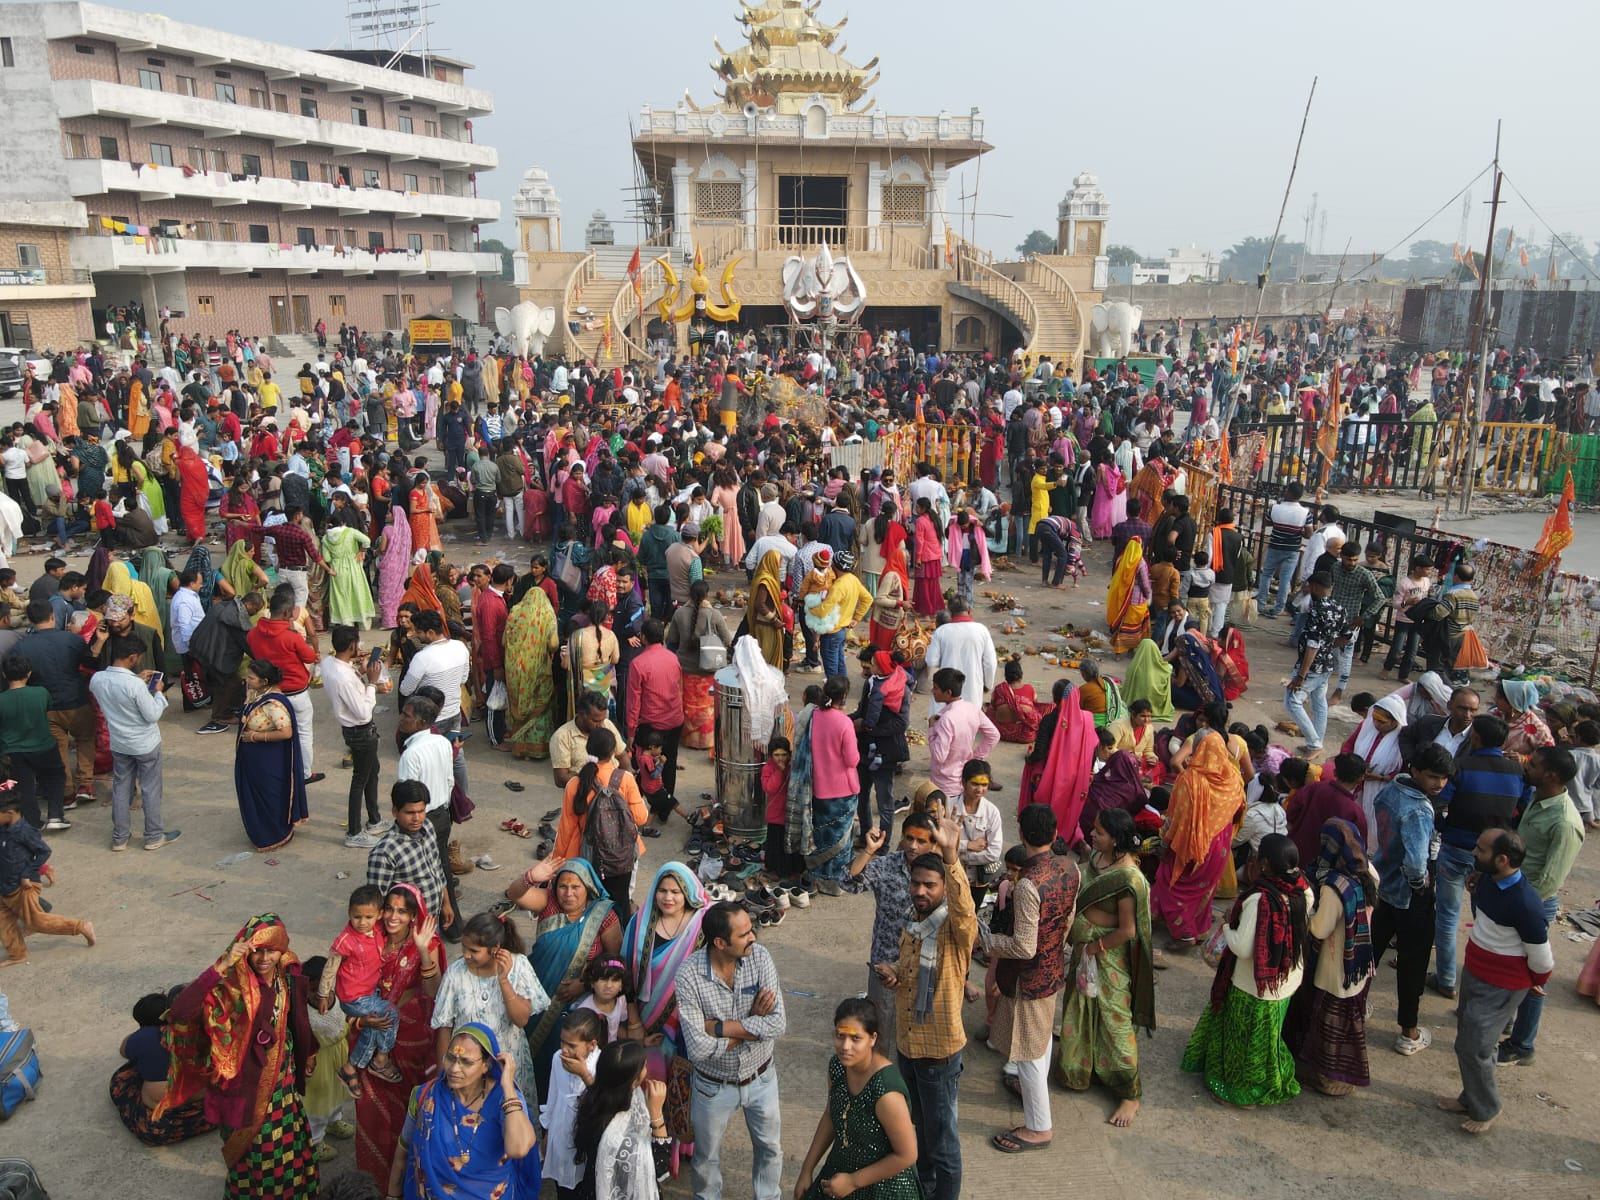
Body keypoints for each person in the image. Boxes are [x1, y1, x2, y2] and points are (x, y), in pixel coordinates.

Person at [162, 914, 317, 1198]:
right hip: (243, 1092)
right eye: (257, 950)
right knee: (256, 1160)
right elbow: (181, 1013)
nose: (263, 958)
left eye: (271, 950)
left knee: (290, 1152)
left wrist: (309, 1052)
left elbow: (297, 1018)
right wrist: (221, 965)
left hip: (283, 1085)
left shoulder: (287, 972)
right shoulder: (230, 988)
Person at [1181, 833, 1313, 1107]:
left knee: (1242, 1043)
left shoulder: (1260, 900)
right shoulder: (1304, 890)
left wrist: (1228, 923)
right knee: (1266, 1040)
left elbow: (1243, 947)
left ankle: (1241, 1093)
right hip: (1285, 980)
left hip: (1252, 985)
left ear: (1264, 863)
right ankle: (1265, 1081)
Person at [1436, 828, 1552, 1135]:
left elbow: (1542, 957)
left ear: (1501, 860)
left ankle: (1487, 1108)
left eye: (1481, 850)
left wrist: (1536, 981)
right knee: (1470, 1041)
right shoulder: (1488, 880)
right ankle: (1470, 1096)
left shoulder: (1526, 905)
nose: (1474, 853)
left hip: (1502, 985)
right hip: (1476, 972)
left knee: (1474, 1047)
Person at [674, 900, 786, 1200]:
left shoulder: (760, 958)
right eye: (745, 934)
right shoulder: (688, 975)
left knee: (771, 1149)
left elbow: (777, 1024)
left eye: (751, 930)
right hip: (712, 1085)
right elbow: (697, 1049)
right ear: (720, 943)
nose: (753, 937)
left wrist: (721, 1028)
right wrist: (752, 1025)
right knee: (706, 1158)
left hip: (762, 1078)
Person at [984, 804, 1079, 1153]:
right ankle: (1031, 1099)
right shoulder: (1071, 868)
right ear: (1055, 834)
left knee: (1029, 1052)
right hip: (1053, 968)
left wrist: (984, 941)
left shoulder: (1028, 884)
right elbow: (1067, 921)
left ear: (1022, 835)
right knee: (1038, 1044)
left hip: (1029, 978)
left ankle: (1039, 1127)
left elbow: (1024, 947)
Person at [1056, 807, 1154, 1126]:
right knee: (1082, 1009)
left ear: (1116, 840)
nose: (1092, 834)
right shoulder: (1097, 859)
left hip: (1108, 957)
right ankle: (1086, 1069)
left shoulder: (1128, 878)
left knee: (1114, 1018)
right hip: (1086, 954)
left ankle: (1130, 1095)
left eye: (1099, 832)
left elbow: (1127, 930)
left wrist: (1093, 948)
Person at [892, 814, 971, 1200]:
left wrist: (952, 855)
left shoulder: (955, 931)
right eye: (916, 883)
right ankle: (921, 1188)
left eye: (930, 885)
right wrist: (895, 974)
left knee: (942, 1142)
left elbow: (964, 910)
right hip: (907, 1046)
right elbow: (911, 975)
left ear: (943, 887)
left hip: (937, 1054)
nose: (920, 891)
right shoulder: (915, 922)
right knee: (916, 1127)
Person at [1496, 745, 1584, 1065]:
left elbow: (1550, 880)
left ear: (1551, 776)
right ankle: (1508, 1020)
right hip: (1517, 895)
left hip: (1532, 905)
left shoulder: (1564, 822)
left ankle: (1522, 1045)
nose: (1526, 765)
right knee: (1511, 968)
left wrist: (1515, 903)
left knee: (1532, 979)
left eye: (1533, 764)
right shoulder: (1537, 797)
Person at [353, 883, 445, 1188]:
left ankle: (406, 1184)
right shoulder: (367, 936)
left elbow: (434, 993)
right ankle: (375, 1184)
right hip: (369, 1033)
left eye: (402, 911)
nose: (393, 917)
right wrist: (361, 1018)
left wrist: (421, 950)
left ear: (412, 915)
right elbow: (348, 986)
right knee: (371, 1112)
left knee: (408, 1113)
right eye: (389, 909)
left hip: (410, 1042)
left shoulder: (425, 942)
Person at [386, 1021, 542, 1199]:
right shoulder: (426, 1096)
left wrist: (507, 1085)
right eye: (451, 1058)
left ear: (486, 1064)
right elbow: (403, 1150)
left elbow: (519, 1149)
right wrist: (392, 1195)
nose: (454, 1068)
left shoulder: (506, 1100)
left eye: (466, 1062)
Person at [1431, 715, 1528, 1000]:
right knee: (1485, 918)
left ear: (1475, 738)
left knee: (1448, 917)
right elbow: (1523, 806)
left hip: (1456, 848)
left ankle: (1447, 979)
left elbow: (1438, 800)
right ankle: (1480, 980)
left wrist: (1443, 827)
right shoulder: (1517, 772)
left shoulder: (1461, 767)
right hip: (1495, 860)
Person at [507, 856, 623, 1093]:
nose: (568, 893)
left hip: (576, 1006)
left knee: (563, 1060)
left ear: (587, 888)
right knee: (529, 1057)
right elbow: (515, 895)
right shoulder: (548, 904)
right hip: (537, 996)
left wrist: (585, 984)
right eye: (563, 886)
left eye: (575, 887)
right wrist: (531, 877)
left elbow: (614, 963)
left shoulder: (603, 915)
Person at [1370, 743, 1454, 1056]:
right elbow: (1417, 863)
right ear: (1415, 771)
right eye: (1433, 776)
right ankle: (1409, 1031)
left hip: (1383, 884)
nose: (1439, 784)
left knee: (1370, 953)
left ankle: (1352, 1007)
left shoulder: (1391, 790)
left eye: (1444, 778)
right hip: (1410, 895)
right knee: (1412, 965)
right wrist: (1421, 885)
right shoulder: (1419, 809)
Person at [620, 862, 709, 1154]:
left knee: (682, 1083)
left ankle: (678, 1148)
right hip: (645, 1022)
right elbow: (626, 975)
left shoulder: (701, 927)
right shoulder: (639, 923)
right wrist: (634, 1021)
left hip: (685, 1024)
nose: (668, 897)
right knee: (649, 1081)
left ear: (688, 894)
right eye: (662, 890)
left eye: (676, 892)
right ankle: (647, 1145)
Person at [795, 997, 920, 1199]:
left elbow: (907, 1155)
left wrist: (853, 1181)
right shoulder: (838, 1067)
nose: (845, 1046)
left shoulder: (886, 1091)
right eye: (840, 1036)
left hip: (883, 1188)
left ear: (872, 1039)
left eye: (855, 1038)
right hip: (841, 1174)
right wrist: (806, 1170)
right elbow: (831, 1115)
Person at [1285, 818, 1374, 1097]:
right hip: (1358, 961)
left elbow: (1319, 928)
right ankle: (1339, 1074)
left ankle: (1327, 1078)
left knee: (1327, 1025)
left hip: (1335, 966)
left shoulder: (1335, 886)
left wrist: (1303, 909)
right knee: (1349, 1023)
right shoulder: (1367, 872)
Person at [430, 913, 549, 1101]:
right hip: (466, 1068)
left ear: (495, 949)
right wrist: (443, 1073)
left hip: (508, 1067)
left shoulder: (519, 966)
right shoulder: (455, 973)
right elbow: (444, 1028)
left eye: (474, 951)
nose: (466, 955)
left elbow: (521, 1019)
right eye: (464, 948)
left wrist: (503, 981)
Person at [1150, 732, 1245, 949]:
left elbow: (1177, 820)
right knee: (1204, 888)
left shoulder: (1190, 781)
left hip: (1192, 845)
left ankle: (1184, 934)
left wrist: (1164, 844)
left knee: (1173, 885)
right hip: (1219, 844)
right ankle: (1198, 927)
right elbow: (1239, 809)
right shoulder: (1231, 776)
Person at [89, 632, 179, 852]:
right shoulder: (134, 686)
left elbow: (117, 690)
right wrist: (158, 694)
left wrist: (137, 680)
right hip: (145, 743)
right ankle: (153, 836)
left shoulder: (97, 679)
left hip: (119, 742)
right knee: (150, 789)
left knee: (121, 788)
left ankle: (119, 837)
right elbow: (152, 715)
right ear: (132, 657)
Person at [552, 729, 650, 913]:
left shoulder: (575, 783)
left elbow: (566, 829)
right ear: (613, 751)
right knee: (621, 903)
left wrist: (556, 863)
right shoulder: (625, 779)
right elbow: (641, 818)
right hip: (624, 855)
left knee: (589, 907)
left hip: (587, 856)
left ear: (588, 748)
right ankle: (620, 938)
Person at [0, 790, 95, 965]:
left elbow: (43, 851)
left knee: (36, 921)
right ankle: (17, 954)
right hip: (4, 886)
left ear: (9, 813)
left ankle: (80, 926)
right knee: (4, 923)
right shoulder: (4, 830)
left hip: (22, 887)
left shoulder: (25, 831)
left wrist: (28, 874)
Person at [111, 987, 215, 1145]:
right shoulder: (220, 1034)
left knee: (123, 1076)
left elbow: (123, 1050)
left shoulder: (147, 1037)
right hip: (214, 1108)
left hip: (163, 1126)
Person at [572, 1040, 671, 1200]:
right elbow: (659, 1168)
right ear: (633, 1080)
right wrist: (657, 1113)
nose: (647, 1070)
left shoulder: (594, 1100)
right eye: (644, 1066)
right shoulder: (617, 1132)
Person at [246, 587, 322, 786]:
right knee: (304, 732)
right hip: (296, 692)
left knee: (274, 734)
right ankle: (304, 773)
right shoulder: (291, 636)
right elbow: (309, 656)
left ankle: (279, 772)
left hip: (269, 693)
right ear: (288, 613)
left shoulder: (253, 634)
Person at [540, 1008, 605, 1199]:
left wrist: (584, 1074)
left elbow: (603, 1103)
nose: (565, 1050)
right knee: (563, 1191)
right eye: (562, 1042)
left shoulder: (601, 1064)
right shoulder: (556, 1058)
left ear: (592, 1044)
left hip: (585, 1141)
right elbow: (552, 1098)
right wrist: (547, 1132)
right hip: (560, 1136)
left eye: (572, 1045)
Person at [0, 653, 70, 831]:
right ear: (28, 673)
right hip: (44, 744)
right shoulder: (41, 692)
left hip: (12, 750)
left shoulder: (2, 699)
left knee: (24, 786)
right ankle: (55, 815)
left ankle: (32, 822)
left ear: (4, 674)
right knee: (55, 776)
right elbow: (47, 708)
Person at [666, 579, 733, 752]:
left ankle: (689, 739)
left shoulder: (679, 614)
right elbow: (727, 640)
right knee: (708, 706)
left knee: (687, 705)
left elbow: (671, 640)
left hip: (685, 669)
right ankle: (706, 740)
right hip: (709, 670)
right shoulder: (714, 615)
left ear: (689, 594)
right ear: (706, 595)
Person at [808, 675, 862, 892]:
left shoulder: (814, 716)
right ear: (844, 696)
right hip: (842, 789)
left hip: (819, 786)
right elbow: (852, 759)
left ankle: (818, 875)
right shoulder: (844, 722)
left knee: (822, 834)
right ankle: (836, 882)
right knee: (841, 838)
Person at [1284, 571, 1346, 754]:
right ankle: (1316, 739)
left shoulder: (1317, 609)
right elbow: (1347, 637)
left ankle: (1314, 744)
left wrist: (1301, 676)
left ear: (1316, 587)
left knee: (1293, 701)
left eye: (1309, 586)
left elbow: (1312, 645)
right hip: (1326, 663)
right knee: (1319, 703)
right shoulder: (1338, 608)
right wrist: (1328, 646)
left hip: (1313, 665)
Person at [503, 581, 560, 760]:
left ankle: (519, 748)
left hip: (514, 669)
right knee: (539, 703)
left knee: (519, 703)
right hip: (538, 669)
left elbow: (504, 641)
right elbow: (553, 644)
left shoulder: (515, 612)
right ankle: (535, 750)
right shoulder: (547, 613)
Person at [926, 668, 1000, 799]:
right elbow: (994, 735)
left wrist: (932, 729)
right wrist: (975, 757)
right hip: (963, 776)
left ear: (948, 692)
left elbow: (939, 756)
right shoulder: (972, 708)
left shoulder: (947, 719)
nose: (933, 691)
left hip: (945, 781)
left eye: (936, 688)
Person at [1284, 753, 1367, 867]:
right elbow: (1358, 849)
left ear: (1335, 772)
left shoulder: (1313, 787)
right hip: (1324, 869)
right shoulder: (1355, 812)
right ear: (1361, 778)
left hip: (1295, 854)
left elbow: (1290, 814)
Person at [922, 596, 997, 713]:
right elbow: (990, 663)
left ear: (950, 613)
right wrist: (988, 684)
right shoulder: (982, 630)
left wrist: (946, 657)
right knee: (968, 725)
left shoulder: (941, 631)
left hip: (946, 689)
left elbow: (931, 661)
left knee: (943, 725)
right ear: (970, 611)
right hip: (972, 688)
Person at [322, 512, 375, 628]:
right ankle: (363, 624)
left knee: (342, 596)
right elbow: (366, 540)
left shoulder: (326, 538)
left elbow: (326, 558)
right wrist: (362, 551)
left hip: (337, 569)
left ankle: (347, 623)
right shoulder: (351, 532)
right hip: (353, 565)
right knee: (358, 593)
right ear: (343, 523)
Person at [1105, 536, 1151, 654]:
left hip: (1121, 598)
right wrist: (1148, 595)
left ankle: (1118, 652)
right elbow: (1145, 584)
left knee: (1122, 625)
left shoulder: (1121, 559)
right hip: (1137, 600)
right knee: (1135, 627)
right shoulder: (1140, 563)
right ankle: (1130, 650)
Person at [987, 657, 1042, 744]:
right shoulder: (1029, 689)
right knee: (1036, 710)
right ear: (1021, 675)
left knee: (990, 709)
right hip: (1026, 736)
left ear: (1005, 676)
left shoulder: (999, 689)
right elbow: (1036, 706)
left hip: (1001, 733)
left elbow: (993, 707)